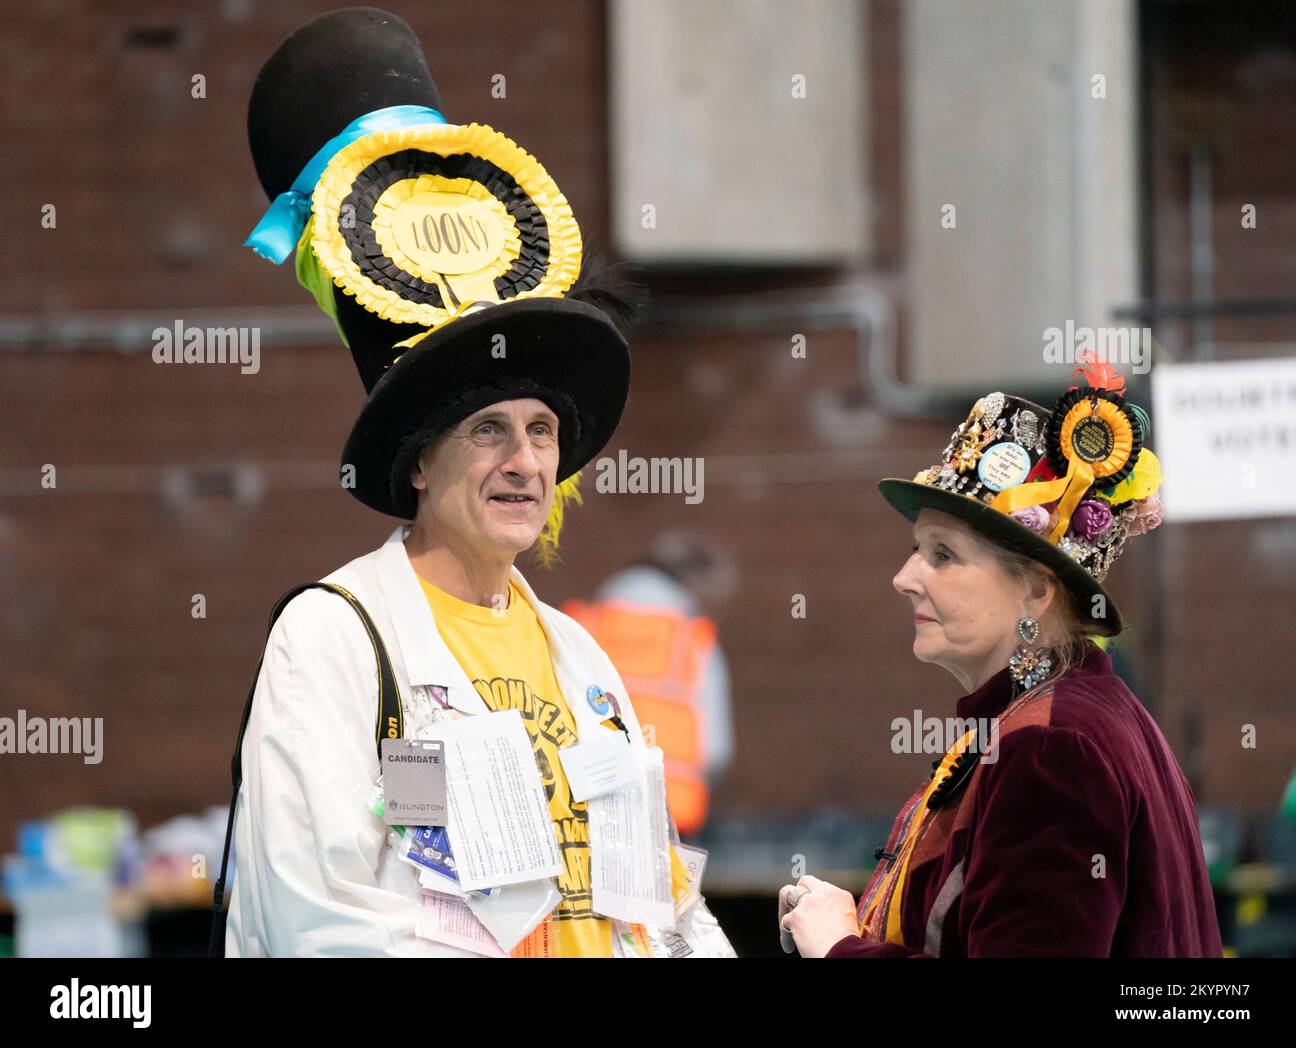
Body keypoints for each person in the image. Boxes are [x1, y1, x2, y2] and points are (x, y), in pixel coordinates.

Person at [223, 7, 733, 958]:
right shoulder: (334, 636)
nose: (526, 461)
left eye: (542, 432)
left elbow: (659, 903)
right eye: (488, 431)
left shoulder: (583, 661)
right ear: (418, 461)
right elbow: (317, 924)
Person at [780, 356, 1223, 957]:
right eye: (917, 550)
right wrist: (853, 923)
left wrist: (840, 949)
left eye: (943, 555)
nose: (904, 577)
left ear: (1037, 591)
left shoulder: (1050, 748)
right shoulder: (1059, 718)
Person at [564, 534, 736, 837]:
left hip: (585, 814)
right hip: (668, 820)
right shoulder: (693, 640)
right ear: (694, 585)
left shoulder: (578, 629)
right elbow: (716, 749)